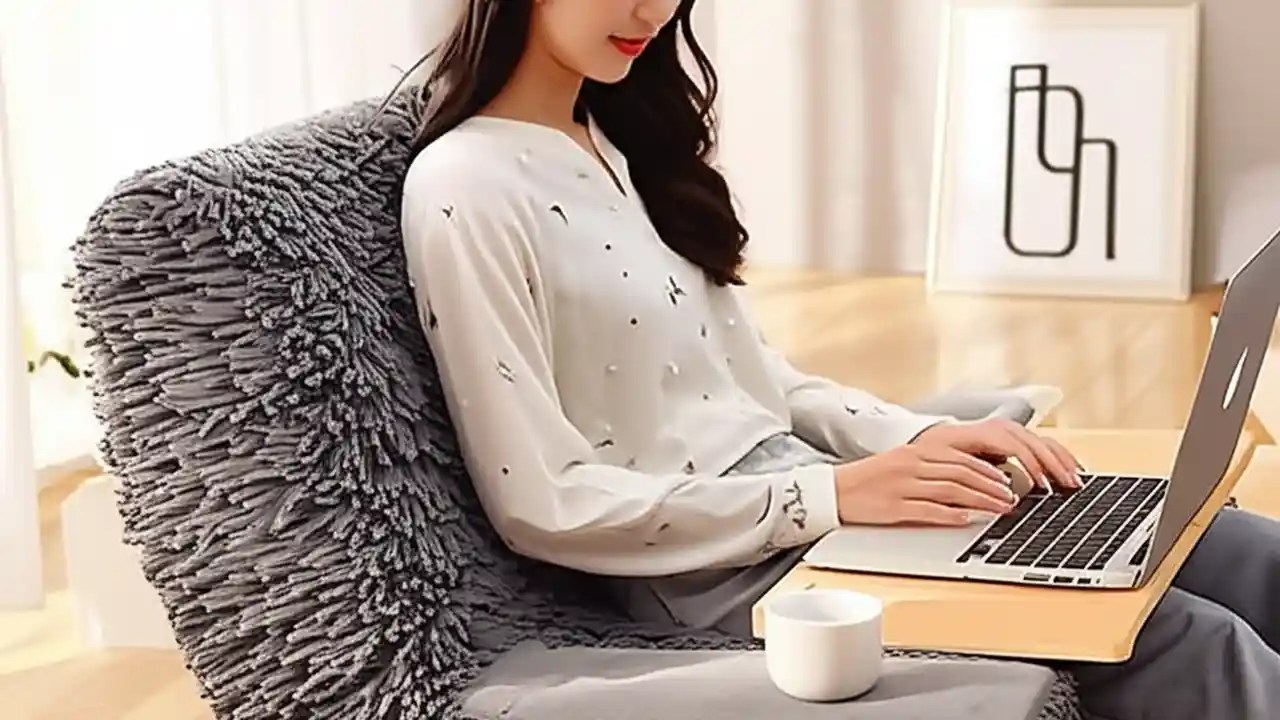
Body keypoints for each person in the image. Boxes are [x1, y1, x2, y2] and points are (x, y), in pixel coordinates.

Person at [396, 1, 1280, 717]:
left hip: (813, 507)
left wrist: (931, 436)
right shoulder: (464, 187)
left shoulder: (620, 150)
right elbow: (539, 502)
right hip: (717, 575)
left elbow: (763, 383)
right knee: (1188, 638)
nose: (654, 9)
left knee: (1234, 547)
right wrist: (830, 494)